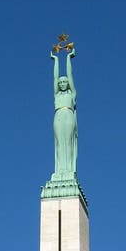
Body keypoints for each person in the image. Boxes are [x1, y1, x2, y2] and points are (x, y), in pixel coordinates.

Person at [50, 48, 77, 176]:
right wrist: (55, 60)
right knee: (60, 143)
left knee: (68, 143)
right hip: (58, 116)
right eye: (60, 82)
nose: (61, 83)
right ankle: (59, 170)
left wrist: (68, 58)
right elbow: (54, 77)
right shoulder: (57, 95)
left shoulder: (72, 94)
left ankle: (69, 170)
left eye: (64, 81)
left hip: (68, 115)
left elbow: (70, 74)